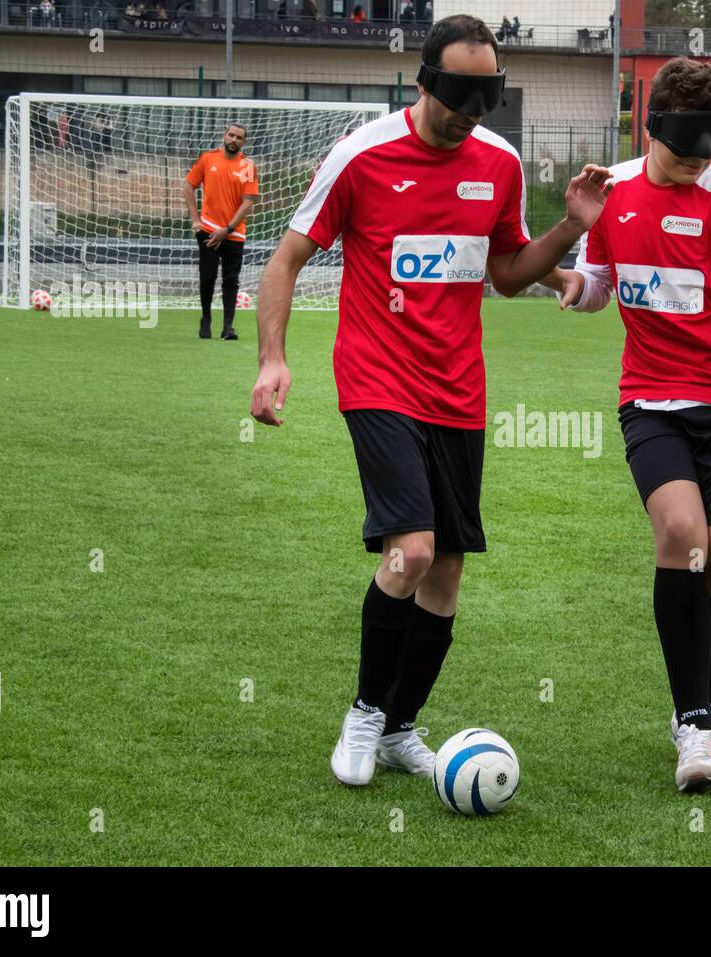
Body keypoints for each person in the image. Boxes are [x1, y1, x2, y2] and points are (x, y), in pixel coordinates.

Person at [248, 14, 608, 787]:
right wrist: (273, 359)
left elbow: (507, 272)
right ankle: (364, 714)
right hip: (377, 379)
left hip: (459, 393)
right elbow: (284, 261)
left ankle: (402, 724)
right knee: (408, 550)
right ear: (423, 82)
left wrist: (570, 233)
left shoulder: (499, 163)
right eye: (458, 95)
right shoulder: (362, 155)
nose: (471, 113)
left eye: (487, 96)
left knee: (445, 570)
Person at [549, 56, 711, 793]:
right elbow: (599, 285)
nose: (696, 166)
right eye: (683, 152)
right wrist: (570, 277)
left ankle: (703, 710)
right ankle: (693, 722)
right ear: (652, 127)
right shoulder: (613, 191)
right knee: (682, 537)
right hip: (652, 398)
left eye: (707, 154)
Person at [182, 123, 260, 340]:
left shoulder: (246, 165)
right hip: (207, 229)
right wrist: (195, 220)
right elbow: (188, 186)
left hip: (234, 233)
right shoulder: (208, 159)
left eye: (239, 137)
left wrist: (227, 229)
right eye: (231, 135)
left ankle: (228, 327)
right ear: (224, 136)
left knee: (231, 279)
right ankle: (206, 318)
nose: (234, 139)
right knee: (207, 277)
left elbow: (248, 202)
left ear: (243, 142)